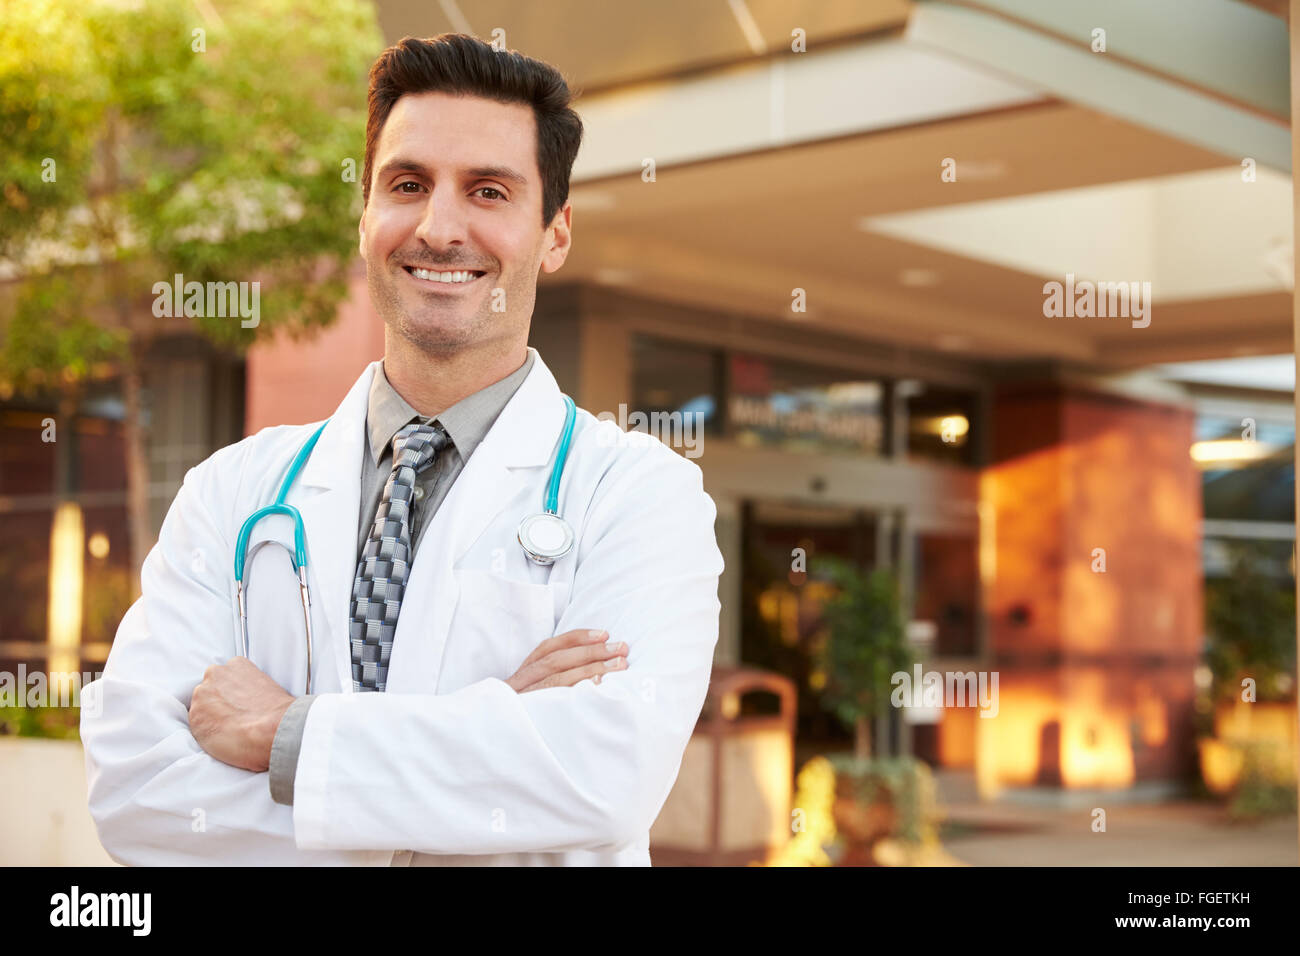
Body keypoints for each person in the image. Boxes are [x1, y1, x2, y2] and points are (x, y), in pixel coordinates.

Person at [80, 33, 724, 866]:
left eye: (488, 190)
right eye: (407, 184)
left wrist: (285, 734)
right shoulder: (231, 493)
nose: (438, 226)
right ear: (366, 214)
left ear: (555, 233)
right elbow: (136, 793)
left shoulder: (642, 495)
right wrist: (485, 755)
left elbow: (604, 773)